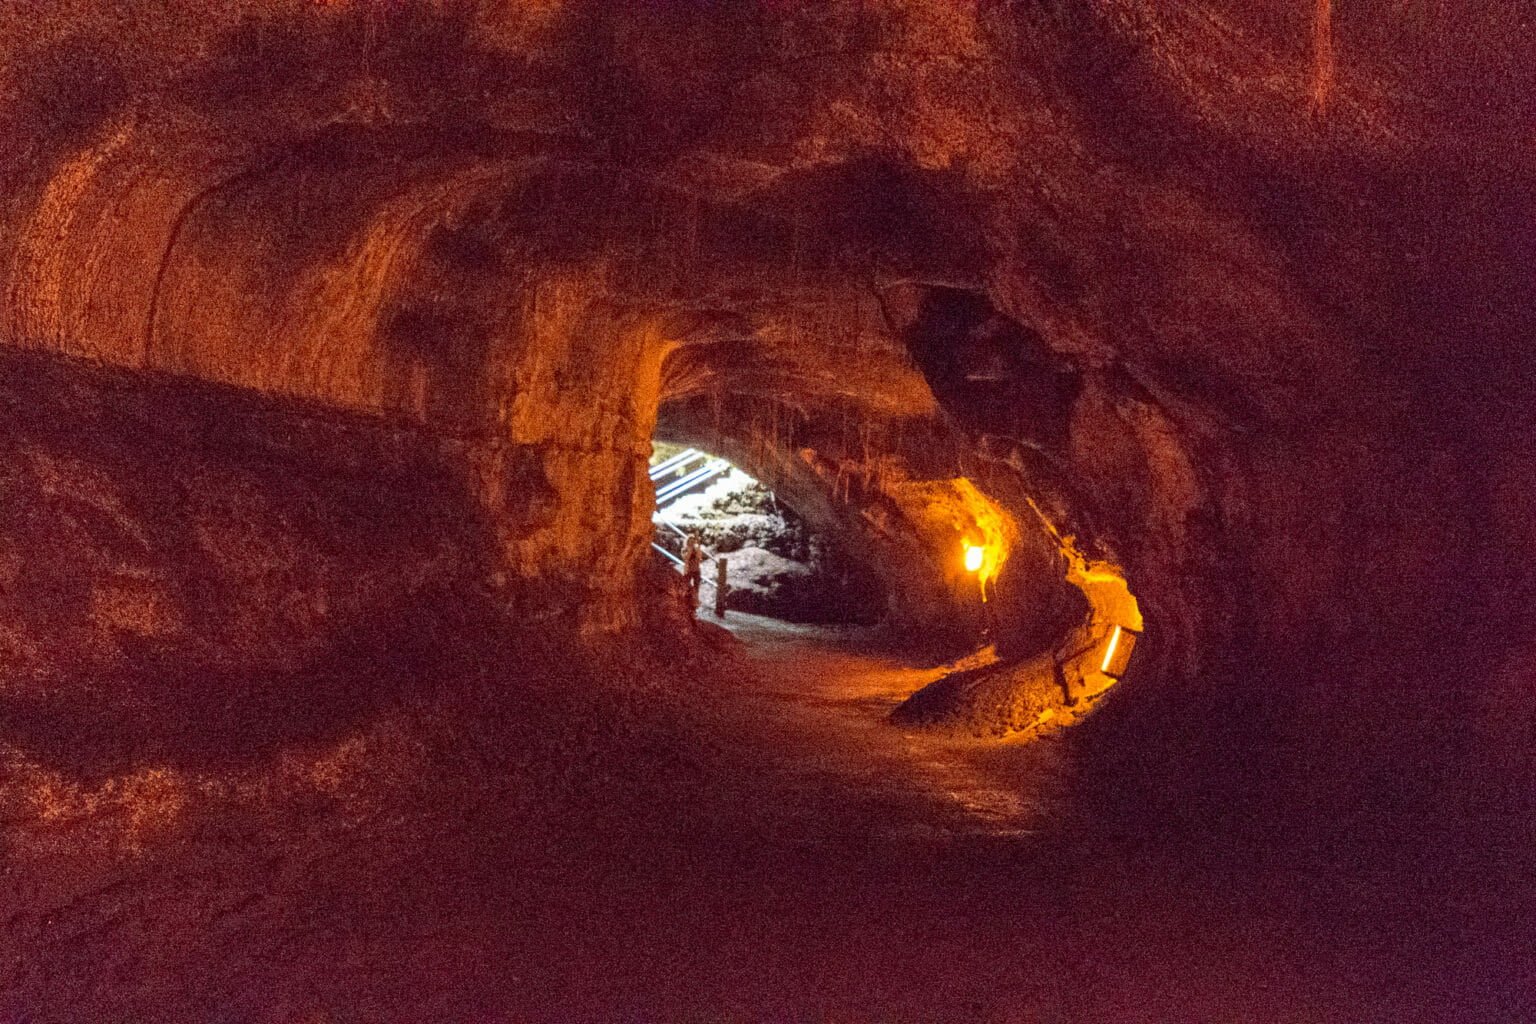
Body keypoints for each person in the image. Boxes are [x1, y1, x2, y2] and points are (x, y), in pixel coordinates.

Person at [681, 533, 705, 613]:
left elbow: (700, 558)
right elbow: (686, 558)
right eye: (690, 540)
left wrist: (697, 548)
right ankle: (685, 601)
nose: (691, 542)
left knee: (696, 587)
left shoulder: (697, 548)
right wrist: (690, 549)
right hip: (688, 570)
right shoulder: (684, 549)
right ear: (687, 541)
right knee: (686, 585)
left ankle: (695, 602)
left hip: (696, 570)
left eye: (693, 540)